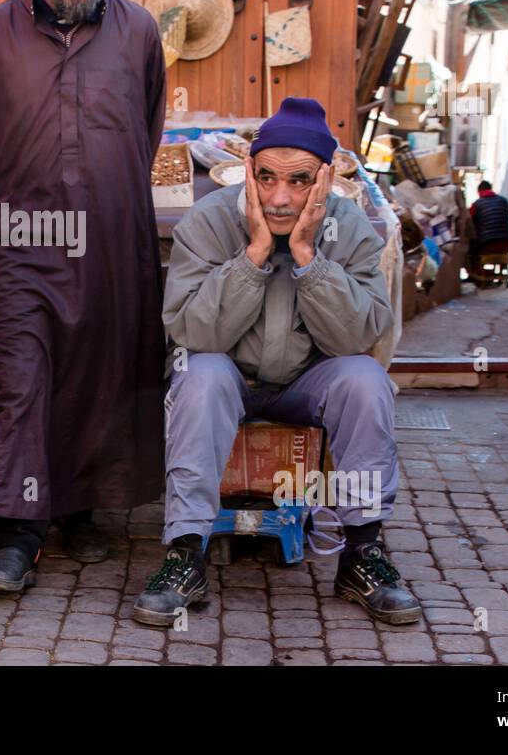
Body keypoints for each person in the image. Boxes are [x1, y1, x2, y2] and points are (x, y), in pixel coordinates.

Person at [0, 0, 167, 592]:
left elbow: (147, 128)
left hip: (109, 245)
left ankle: (80, 513)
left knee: (97, 377)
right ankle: (16, 534)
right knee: (22, 382)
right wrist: (4, 218)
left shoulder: (138, 32)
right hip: (20, 244)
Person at [132, 97, 422, 627]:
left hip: (308, 380)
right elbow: (194, 332)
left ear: (327, 178)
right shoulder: (211, 221)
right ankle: (184, 554)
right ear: (249, 171)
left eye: (300, 181)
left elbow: (358, 337)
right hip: (230, 377)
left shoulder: (350, 226)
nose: (281, 198)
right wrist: (256, 254)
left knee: (365, 380)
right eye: (266, 179)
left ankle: (362, 551)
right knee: (197, 376)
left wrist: (309, 258)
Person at [468, 179, 508, 273]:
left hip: (487, 244)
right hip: (506, 243)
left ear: (479, 191)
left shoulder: (476, 204)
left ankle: (475, 273)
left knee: (469, 250)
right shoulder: (504, 201)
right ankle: (502, 271)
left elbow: (470, 223)